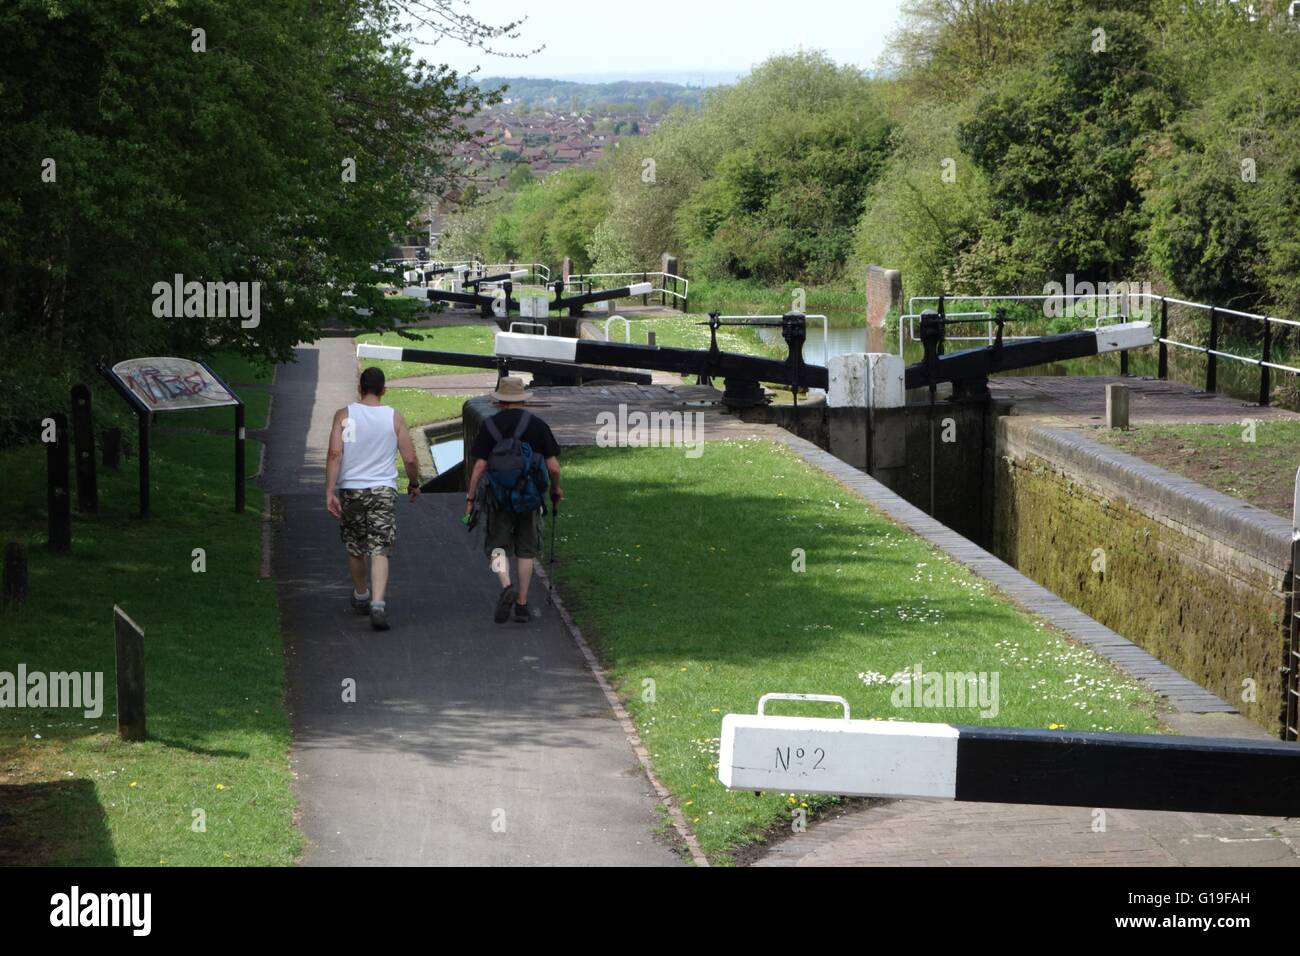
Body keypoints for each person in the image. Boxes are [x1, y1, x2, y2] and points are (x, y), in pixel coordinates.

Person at [326, 366, 421, 631]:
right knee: (380, 547)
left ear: (360, 388)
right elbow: (410, 458)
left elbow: (335, 454)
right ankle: (378, 603)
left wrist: (329, 491)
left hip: (351, 490)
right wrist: (413, 483)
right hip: (382, 490)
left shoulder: (344, 416)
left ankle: (361, 594)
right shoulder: (394, 418)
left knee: (355, 545)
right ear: (383, 390)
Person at [465, 376, 562, 624]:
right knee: (526, 551)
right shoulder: (538, 426)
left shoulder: (490, 426)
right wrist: (555, 491)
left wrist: (471, 497)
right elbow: (553, 467)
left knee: (497, 547)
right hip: (529, 498)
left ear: (500, 402)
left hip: (498, 498)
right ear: (522, 400)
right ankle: (522, 603)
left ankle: (506, 584)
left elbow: (479, 466)